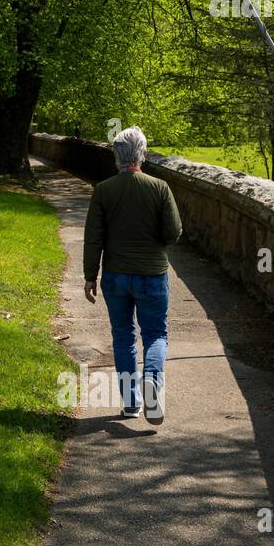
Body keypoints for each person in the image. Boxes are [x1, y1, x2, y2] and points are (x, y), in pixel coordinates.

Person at [83, 127, 182, 424]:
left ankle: (131, 404)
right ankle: (153, 381)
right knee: (155, 334)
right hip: (152, 274)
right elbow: (174, 233)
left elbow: (93, 238)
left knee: (123, 335)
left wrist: (90, 276)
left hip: (115, 277)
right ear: (143, 154)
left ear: (117, 156)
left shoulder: (104, 190)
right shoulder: (159, 188)